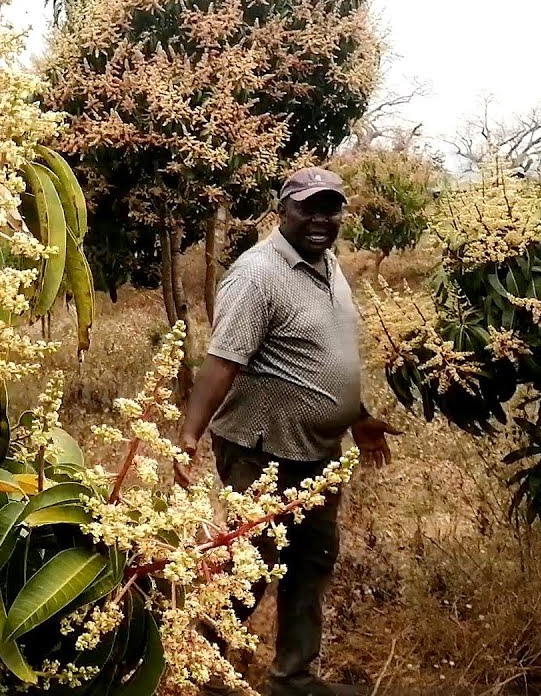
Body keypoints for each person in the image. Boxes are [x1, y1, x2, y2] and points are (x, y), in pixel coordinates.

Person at [180, 167, 402, 696]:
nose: (322, 219)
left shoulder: (330, 267)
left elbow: (332, 360)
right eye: (310, 207)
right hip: (262, 448)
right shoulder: (256, 273)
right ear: (284, 210)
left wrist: (360, 417)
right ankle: (205, 673)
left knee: (312, 562)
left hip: (321, 450)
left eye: (332, 208)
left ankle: (293, 677)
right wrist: (187, 434)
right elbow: (223, 362)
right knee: (249, 565)